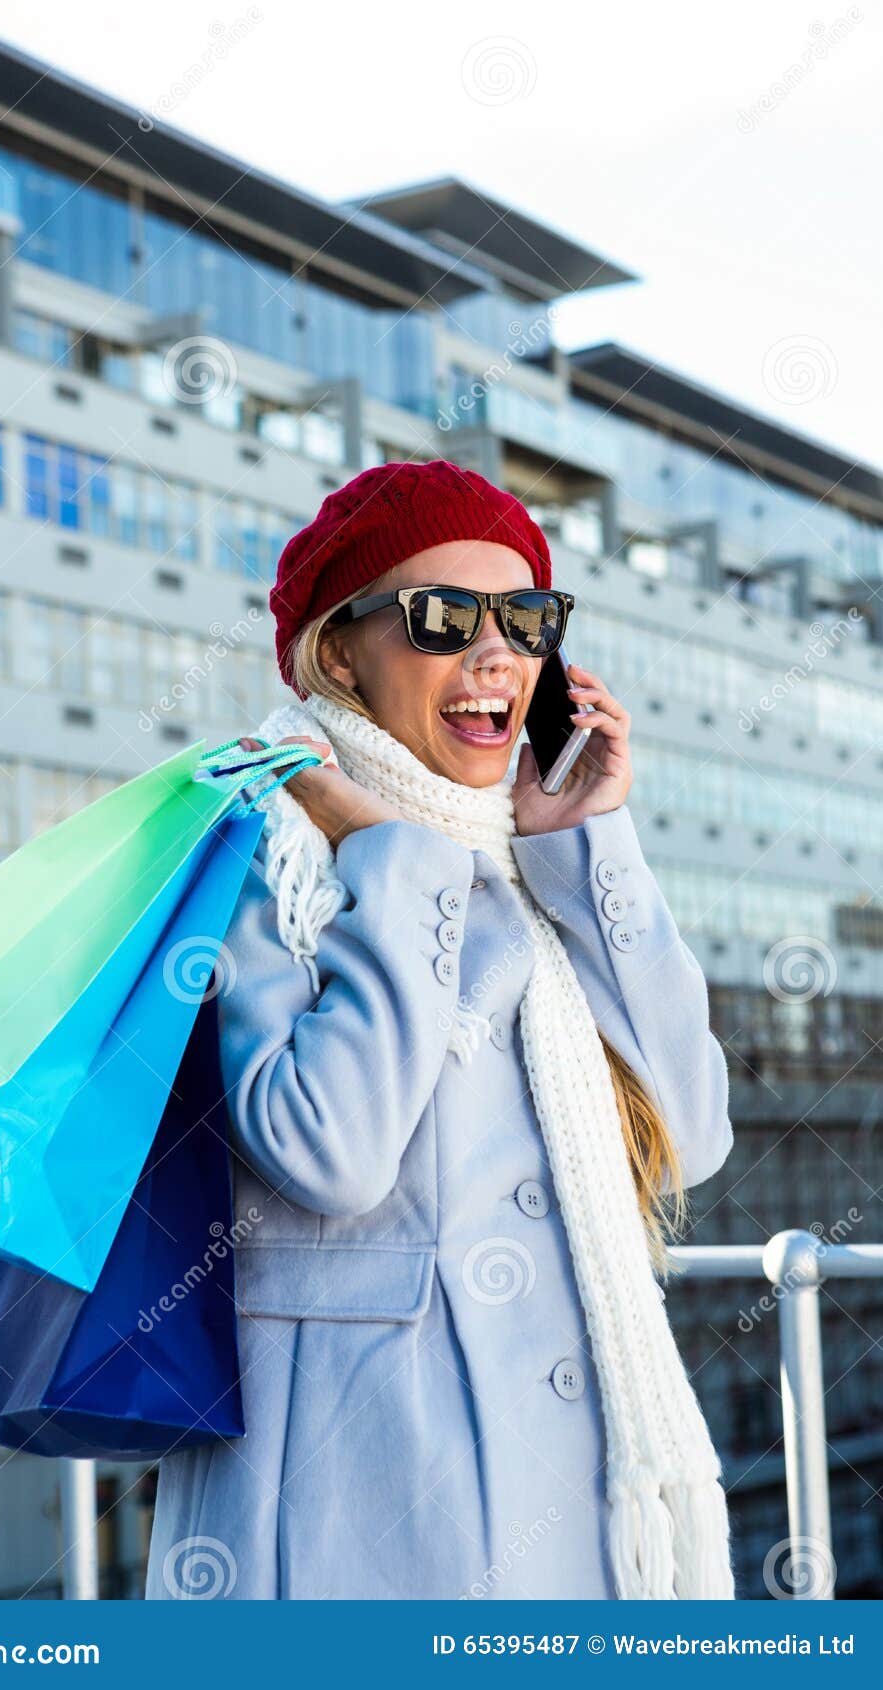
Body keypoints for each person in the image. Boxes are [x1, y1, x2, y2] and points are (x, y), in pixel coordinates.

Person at [146, 460, 735, 1602]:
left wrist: (588, 843)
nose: (494, 656)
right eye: (441, 618)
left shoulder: (525, 866)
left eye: (524, 620)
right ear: (337, 652)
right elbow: (329, 1148)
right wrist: (392, 860)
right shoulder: (266, 851)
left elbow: (692, 1131)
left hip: (580, 1516)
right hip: (355, 1518)